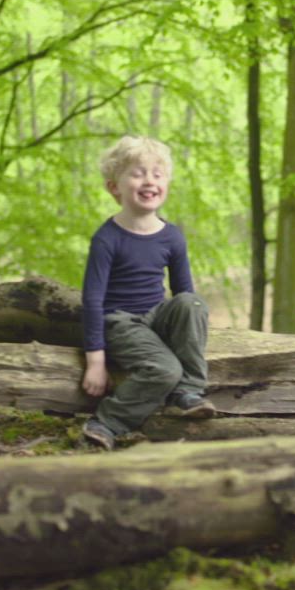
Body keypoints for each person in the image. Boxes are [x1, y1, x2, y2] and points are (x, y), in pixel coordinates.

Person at [79, 135, 215, 450]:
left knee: (192, 302)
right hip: (120, 321)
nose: (149, 181)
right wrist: (95, 361)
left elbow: (184, 297)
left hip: (154, 317)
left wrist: (184, 333)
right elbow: (92, 301)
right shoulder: (107, 239)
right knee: (164, 369)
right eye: (138, 173)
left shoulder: (172, 237)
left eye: (157, 174)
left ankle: (187, 392)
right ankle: (106, 422)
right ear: (114, 187)